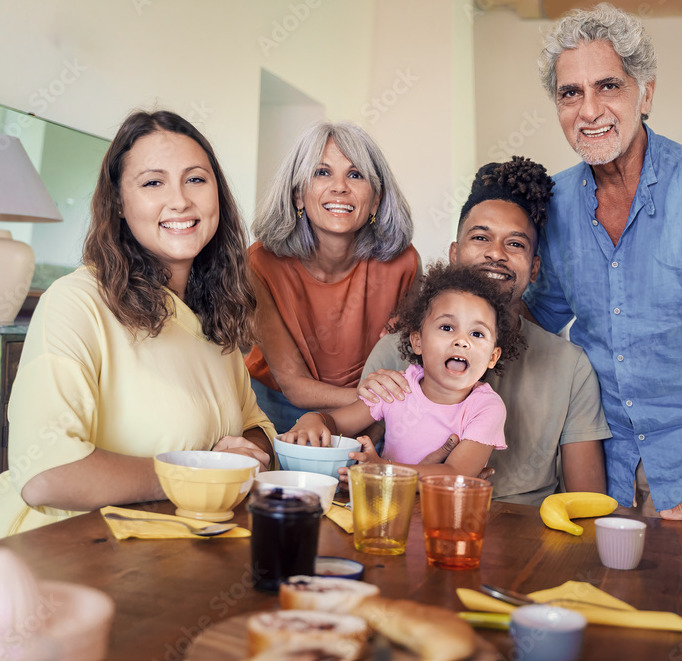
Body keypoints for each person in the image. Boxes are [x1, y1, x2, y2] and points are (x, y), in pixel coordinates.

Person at [524, 4, 682, 567]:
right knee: (613, 629)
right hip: (602, 459)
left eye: (608, 86)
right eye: (570, 94)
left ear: (645, 93)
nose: (589, 111)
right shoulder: (556, 202)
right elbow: (534, 323)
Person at [0, 111, 275, 545]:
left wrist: (243, 453)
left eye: (195, 179)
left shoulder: (214, 314)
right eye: (153, 182)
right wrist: (195, 471)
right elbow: (47, 473)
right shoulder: (77, 302)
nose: (180, 201)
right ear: (118, 202)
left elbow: (256, 426)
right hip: (60, 558)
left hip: (173, 554)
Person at [359, 157, 610, 505]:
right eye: (481, 237)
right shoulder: (395, 351)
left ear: (534, 268)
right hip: (411, 520)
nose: (496, 253)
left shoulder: (570, 366)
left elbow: (588, 503)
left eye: (516, 244)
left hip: (529, 538)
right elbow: (356, 463)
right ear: (455, 253)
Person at [244, 121, 419, 433]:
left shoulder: (404, 264)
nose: (340, 187)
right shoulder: (260, 263)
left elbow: (410, 360)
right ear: (298, 194)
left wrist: (376, 407)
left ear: (376, 200)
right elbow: (295, 385)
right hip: (273, 405)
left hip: (370, 409)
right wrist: (382, 398)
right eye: (322, 172)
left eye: (355, 174)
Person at [278, 262, 524, 482]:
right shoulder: (398, 387)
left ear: (493, 356)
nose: (462, 341)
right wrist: (314, 419)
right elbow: (336, 424)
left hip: (445, 519)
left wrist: (385, 469)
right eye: (447, 327)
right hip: (387, 508)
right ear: (417, 342)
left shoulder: (486, 408)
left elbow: (456, 473)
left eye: (477, 334)